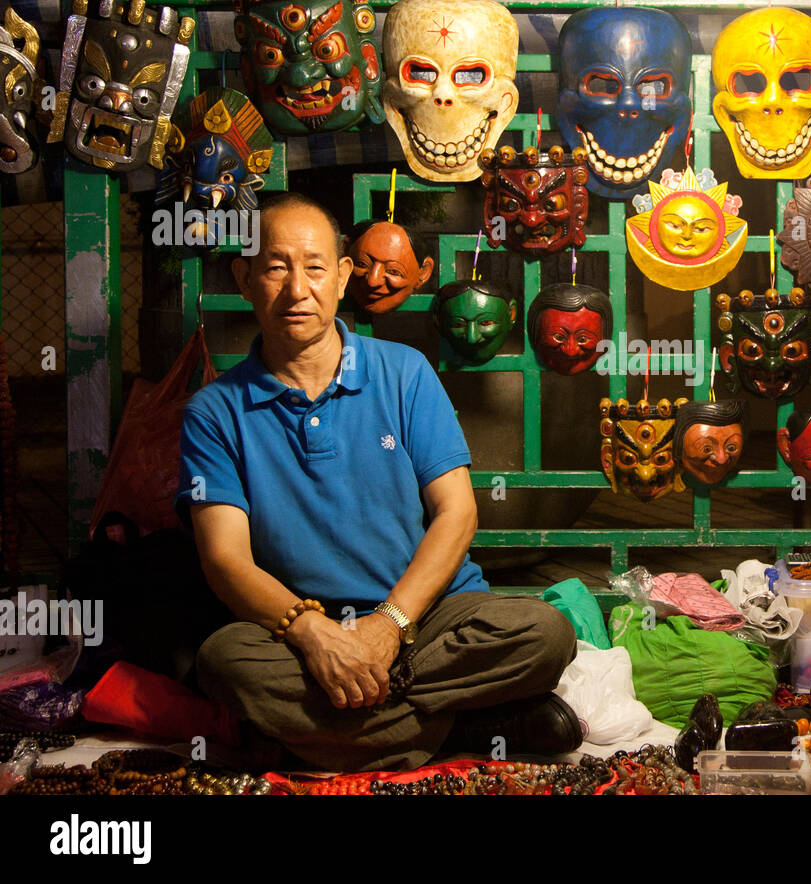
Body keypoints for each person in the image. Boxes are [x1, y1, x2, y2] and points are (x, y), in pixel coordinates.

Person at [177, 192, 579, 772]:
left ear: (341, 277)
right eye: (274, 267)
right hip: (299, 629)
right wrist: (316, 635)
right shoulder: (213, 411)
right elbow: (225, 560)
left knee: (544, 631)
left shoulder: (404, 371)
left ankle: (333, 735)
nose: (297, 289)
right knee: (225, 661)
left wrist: (387, 627)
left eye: (315, 267)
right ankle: (463, 722)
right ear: (244, 278)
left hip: (425, 616)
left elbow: (457, 513)